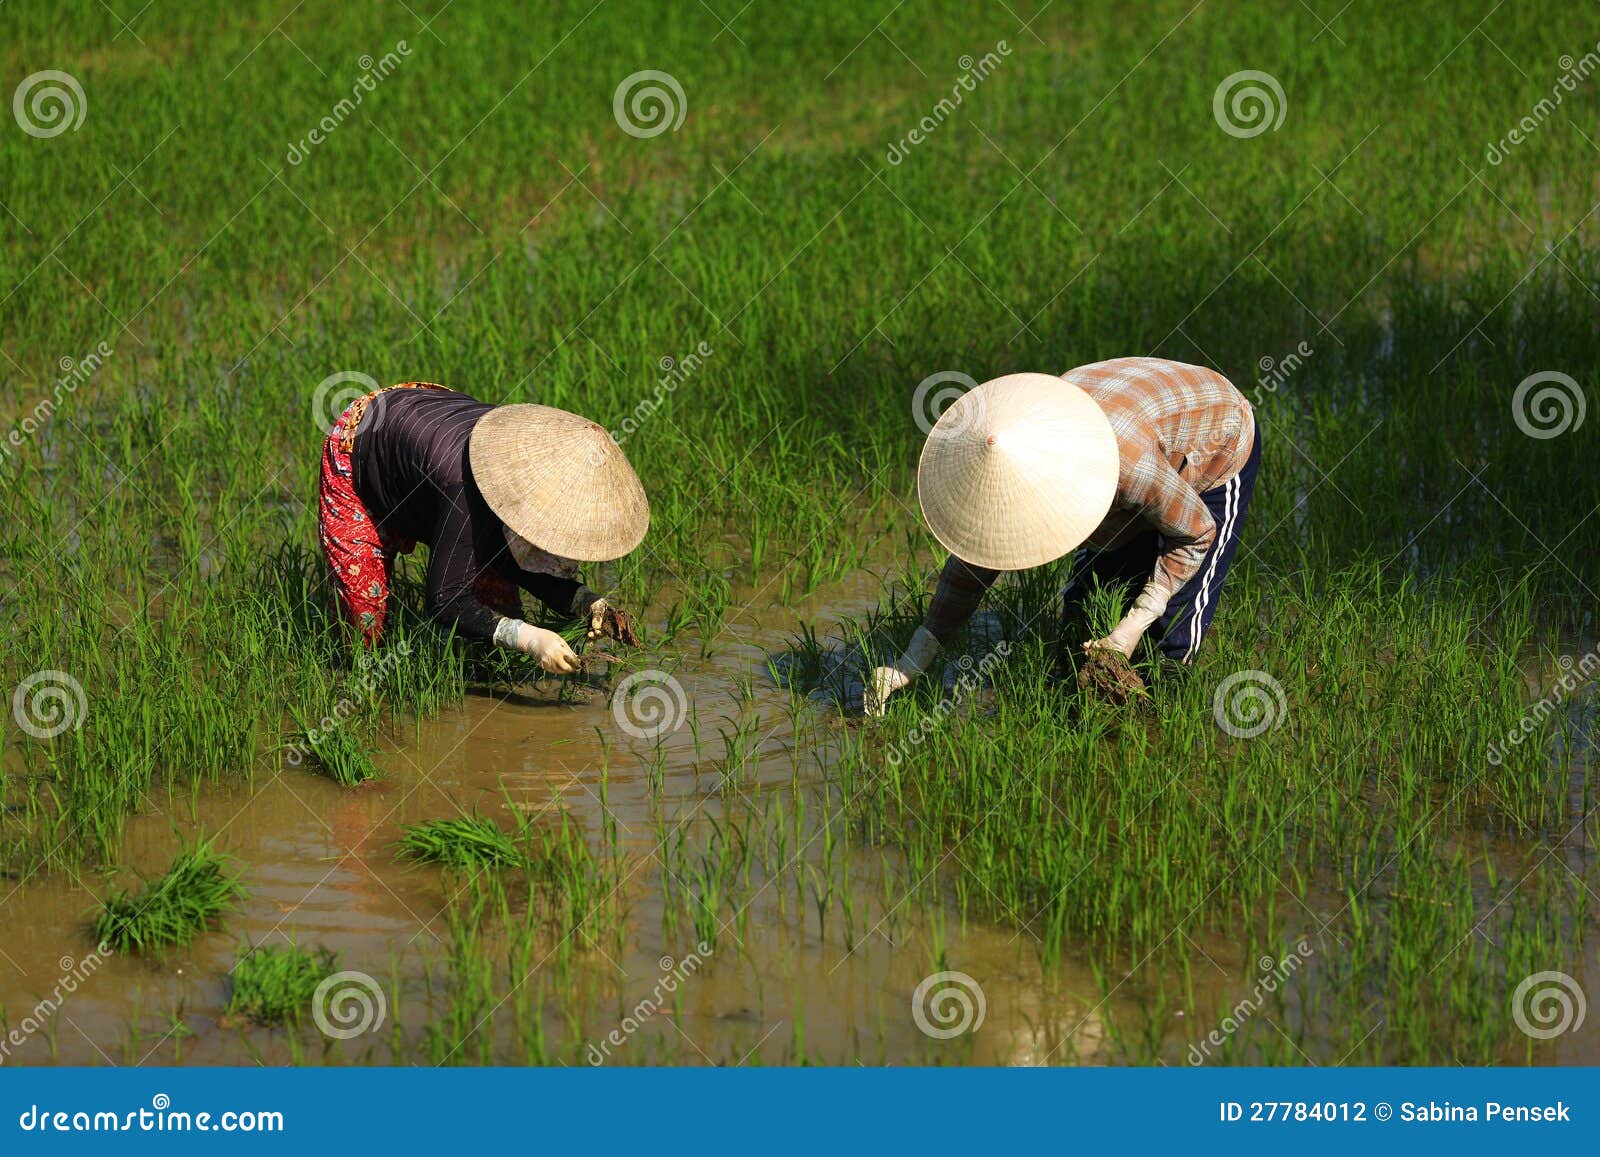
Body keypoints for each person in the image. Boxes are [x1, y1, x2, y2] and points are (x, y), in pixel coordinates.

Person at [867, 358, 1261, 713]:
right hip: (1135, 421)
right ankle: (1078, 710)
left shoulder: (1129, 466)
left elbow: (1195, 534)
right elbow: (972, 569)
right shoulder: (1018, 458)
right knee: (1083, 615)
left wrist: (1133, 626)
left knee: (1170, 634)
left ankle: (1160, 717)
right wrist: (911, 662)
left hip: (1215, 437)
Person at [317, 381, 647, 672]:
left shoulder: (516, 472)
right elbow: (445, 600)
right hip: (364, 438)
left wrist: (587, 603)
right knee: (363, 622)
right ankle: (359, 685)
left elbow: (517, 561)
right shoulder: (464, 489)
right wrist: (531, 640)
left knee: (496, 621)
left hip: (425, 424)